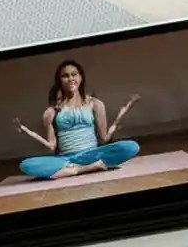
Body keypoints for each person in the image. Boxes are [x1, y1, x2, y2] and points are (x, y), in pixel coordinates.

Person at [12, 59, 141, 179]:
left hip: (92, 154)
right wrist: (31, 129)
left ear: (80, 77)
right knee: (26, 165)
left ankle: (72, 170)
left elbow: (103, 139)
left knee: (131, 146)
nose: (70, 79)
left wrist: (118, 120)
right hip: (66, 159)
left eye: (74, 74)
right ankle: (85, 168)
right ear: (59, 81)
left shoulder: (96, 104)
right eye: (65, 76)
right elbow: (51, 147)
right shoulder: (52, 111)